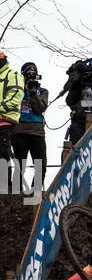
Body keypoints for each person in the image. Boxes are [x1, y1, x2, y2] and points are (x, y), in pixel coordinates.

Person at [9, 61, 47, 191]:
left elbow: (40, 109)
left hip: (37, 132)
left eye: (33, 74)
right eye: (28, 74)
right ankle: (16, 194)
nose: (31, 76)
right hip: (19, 131)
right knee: (20, 164)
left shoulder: (42, 91)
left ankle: (35, 193)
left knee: (40, 165)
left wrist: (33, 93)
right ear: (23, 76)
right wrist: (23, 89)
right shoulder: (16, 90)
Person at [0, 49, 25, 165]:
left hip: (6, 121)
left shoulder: (13, 75)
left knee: (3, 157)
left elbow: (16, 95)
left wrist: (1, 107)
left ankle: (6, 183)